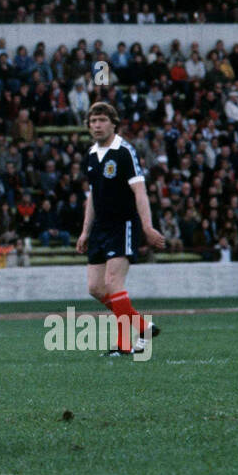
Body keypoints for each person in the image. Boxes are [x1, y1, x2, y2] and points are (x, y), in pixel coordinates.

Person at [76, 102, 165, 356]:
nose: (97, 125)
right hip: (100, 229)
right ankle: (142, 326)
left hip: (123, 224)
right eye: (93, 121)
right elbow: (92, 196)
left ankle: (124, 345)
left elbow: (140, 191)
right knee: (95, 288)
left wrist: (146, 226)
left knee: (114, 283)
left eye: (102, 120)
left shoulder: (125, 151)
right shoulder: (92, 154)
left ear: (113, 123)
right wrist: (85, 231)